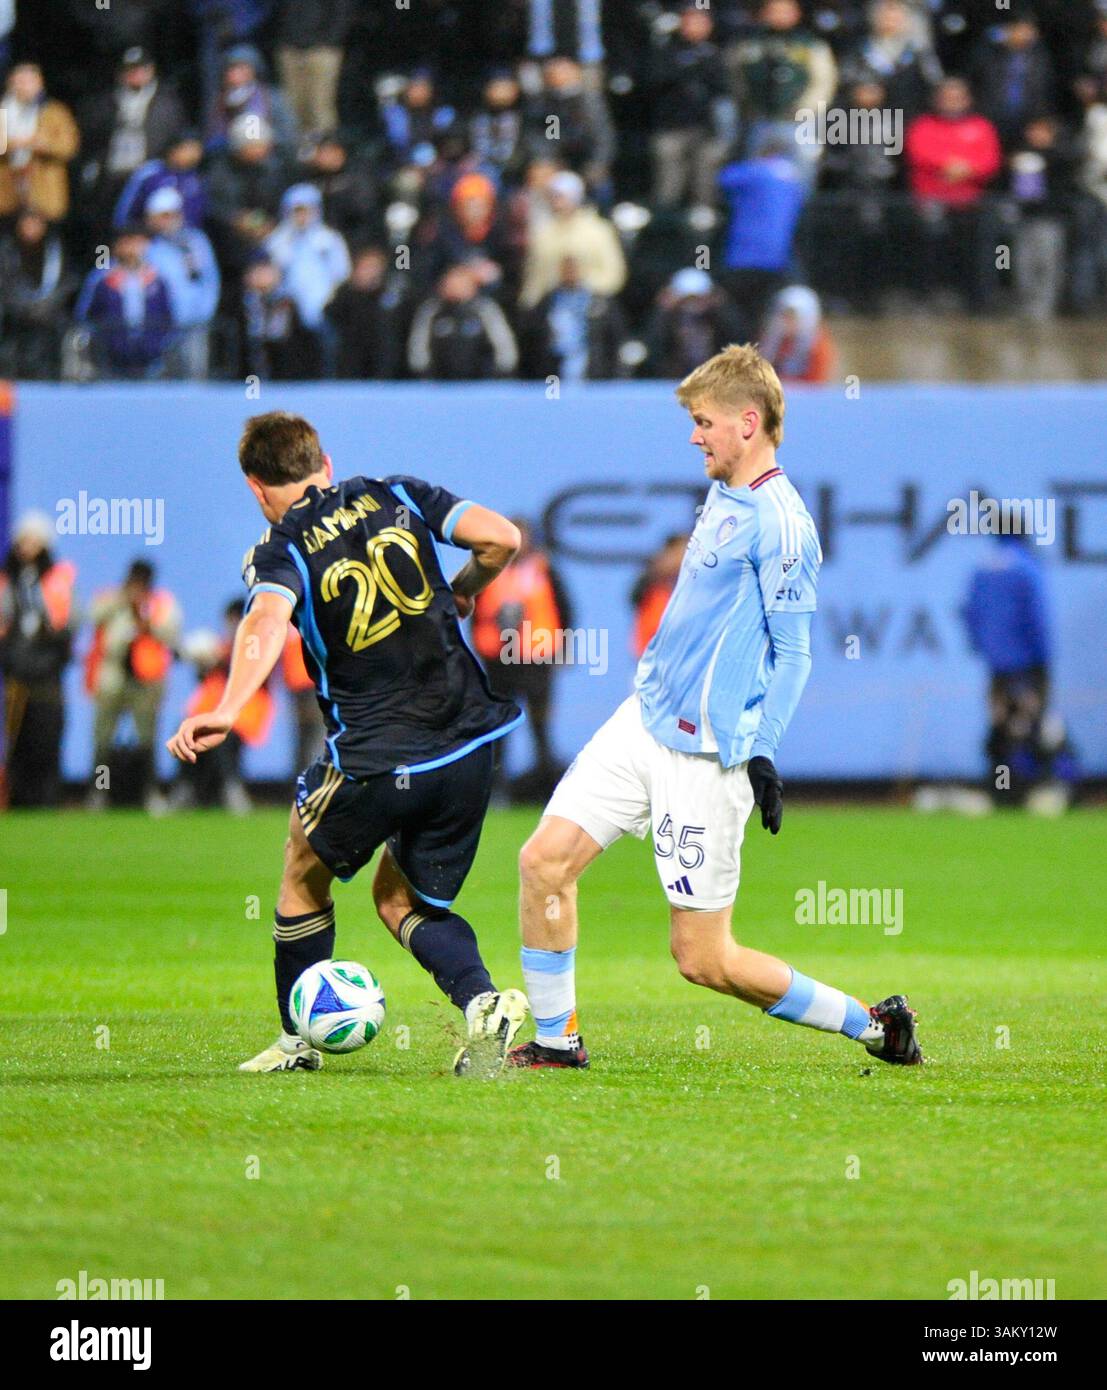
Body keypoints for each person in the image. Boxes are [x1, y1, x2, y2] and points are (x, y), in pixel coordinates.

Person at [508, 344, 923, 1070]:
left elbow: (793, 654)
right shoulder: (722, 492)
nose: (693, 435)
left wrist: (762, 748)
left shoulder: (784, 525)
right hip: (641, 721)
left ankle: (872, 1023)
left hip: (706, 755)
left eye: (703, 422)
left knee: (702, 958)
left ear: (747, 421)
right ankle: (555, 1041)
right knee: (543, 862)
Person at [166, 411, 530, 1076]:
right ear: (323, 463)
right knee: (401, 901)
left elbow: (266, 619)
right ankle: (482, 1003)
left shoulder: (281, 547)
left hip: (378, 754)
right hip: (470, 744)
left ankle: (296, 1043)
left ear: (256, 487)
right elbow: (501, 539)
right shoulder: (396, 492)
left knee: (302, 871)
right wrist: (458, 594)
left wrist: (227, 705)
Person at [472, 518, 574, 797]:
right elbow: (474, 610)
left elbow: (564, 610)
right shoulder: (490, 570)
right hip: (499, 662)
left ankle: (545, 789)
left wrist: (562, 649)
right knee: (499, 729)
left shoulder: (544, 570)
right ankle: (497, 790)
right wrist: (480, 651)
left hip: (536, 660)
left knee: (540, 728)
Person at [86, 558, 181, 813]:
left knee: (147, 742)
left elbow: (172, 634)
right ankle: (99, 791)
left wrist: (146, 620)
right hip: (113, 678)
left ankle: (150, 792)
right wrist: (121, 602)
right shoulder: (113, 599)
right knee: (103, 741)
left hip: (146, 682)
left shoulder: (160, 603)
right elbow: (92, 616)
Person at [0, 512, 77, 808]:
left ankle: (47, 800)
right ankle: (17, 800)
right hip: (17, 673)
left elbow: (68, 623)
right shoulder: (8, 581)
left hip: (47, 672)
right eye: (23, 540)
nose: (28, 547)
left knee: (46, 739)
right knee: (17, 740)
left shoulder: (59, 578)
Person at [74, 226, 175, 379]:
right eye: (128, 242)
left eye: (138, 243)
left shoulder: (158, 279)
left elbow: (169, 317)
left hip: (151, 360)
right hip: (111, 360)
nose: (133, 248)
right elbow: (86, 316)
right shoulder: (102, 277)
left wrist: (157, 345)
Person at [144, 185, 221, 378]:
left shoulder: (196, 242)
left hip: (194, 325)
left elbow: (210, 280)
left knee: (194, 376)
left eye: (168, 215)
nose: (165, 221)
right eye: (160, 216)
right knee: (159, 377)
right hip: (160, 327)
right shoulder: (147, 247)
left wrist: (204, 315)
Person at [0, 63, 80, 224]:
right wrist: (13, 144)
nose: (24, 87)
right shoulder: (3, 111)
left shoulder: (55, 112)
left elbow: (69, 146)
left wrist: (44, 145)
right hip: (8, 191)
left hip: (44, 192)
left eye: (29, 82)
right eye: (20, 82)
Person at [408, 264, 518, 380]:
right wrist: (423, 373)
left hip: (481, 384)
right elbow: (418, 345)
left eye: (461, 282)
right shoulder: (431, 310)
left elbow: (503, 343)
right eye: (451, 283)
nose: (455, 287)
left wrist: (502, 373)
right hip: (439, 385)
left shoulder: (485, 310)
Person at [759, 284, 837, 383]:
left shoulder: (817, 345)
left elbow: (817, 383)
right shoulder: (773, 340)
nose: (789, 321)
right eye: (785, 316)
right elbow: (759, 372)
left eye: (794, 317)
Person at [629, 532, 687, 659]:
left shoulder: (694, 590)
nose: (682, 558)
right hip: (652, 658)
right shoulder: (651, 587)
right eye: (678, 553)